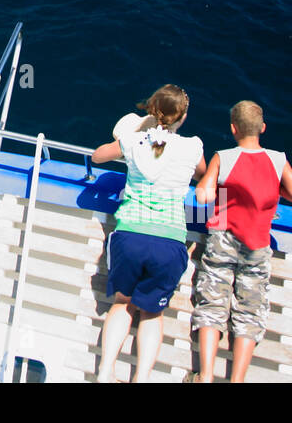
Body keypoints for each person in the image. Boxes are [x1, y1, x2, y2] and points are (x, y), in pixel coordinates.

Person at [88, 85, 206, 382]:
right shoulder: (192, 146)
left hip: (131, 235)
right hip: (169, 240)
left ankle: (105, 373)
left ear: (151, 109)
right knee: (152, 314)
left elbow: (97, 156)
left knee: (122, 302)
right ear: (183, 117)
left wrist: (134, 135)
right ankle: (140, 379)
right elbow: (202, 173)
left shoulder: (133, 140)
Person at [189, 100, 292, 382]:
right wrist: (277, 191)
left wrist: (214, 184)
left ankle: (205, 376)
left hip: (222, 239)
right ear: (263, 128)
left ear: (233, 129)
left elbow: (203, 196)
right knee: (249, 311)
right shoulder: (277, 159)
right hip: (256, 245)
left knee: (212, 303)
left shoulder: (224, 157)